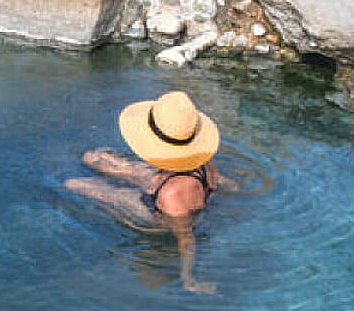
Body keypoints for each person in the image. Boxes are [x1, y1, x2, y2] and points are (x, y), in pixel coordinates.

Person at [65, 90, 237, 294]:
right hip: (175, 176)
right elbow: (225, 184)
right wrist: (231, 189)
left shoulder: (172, 195)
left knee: (73, 184)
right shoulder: (201, 158)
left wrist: (188, 278)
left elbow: (186, 237)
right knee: (93, 157)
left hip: (157, 210)